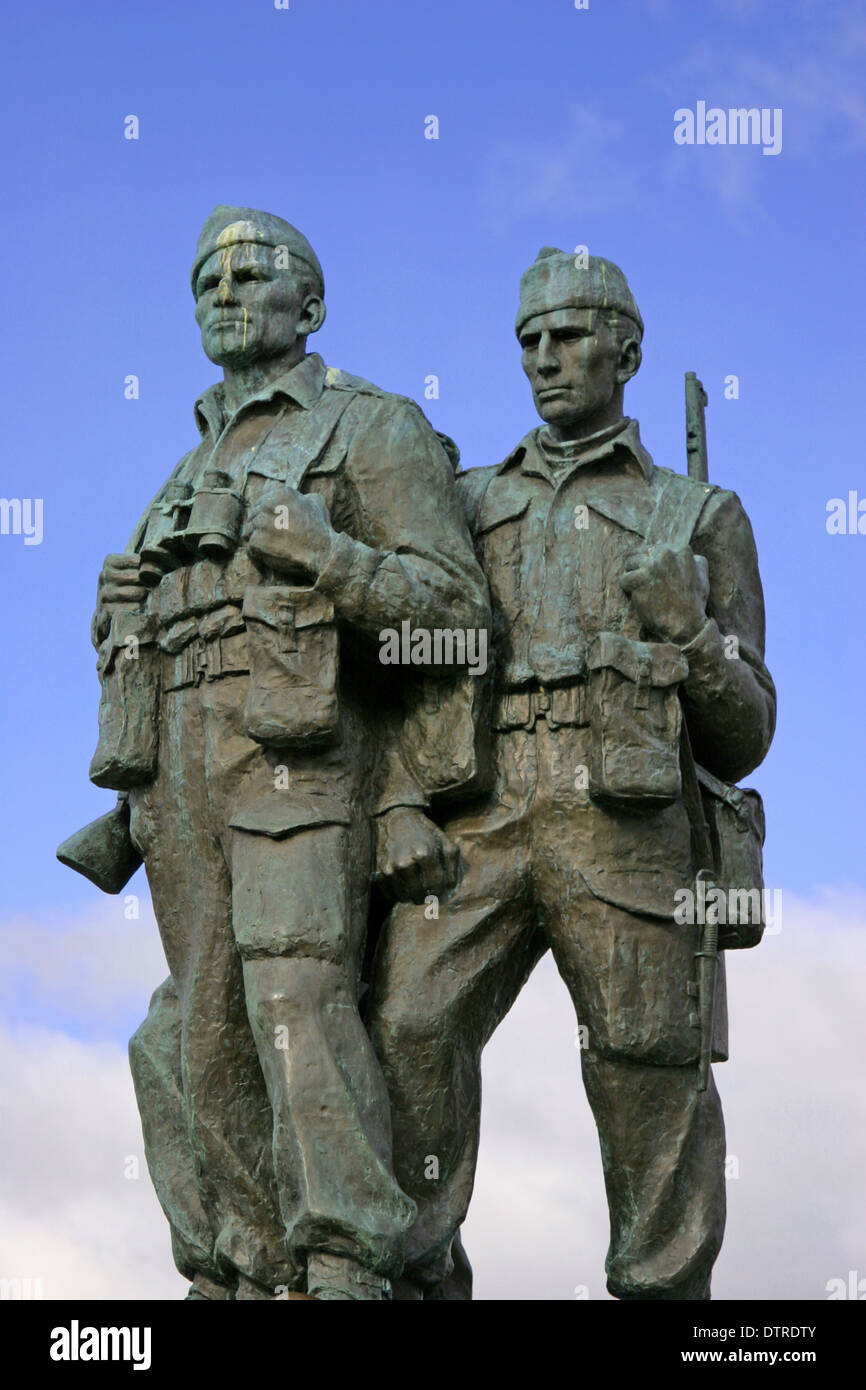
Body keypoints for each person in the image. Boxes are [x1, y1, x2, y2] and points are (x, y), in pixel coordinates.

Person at [87, 206, 489, 1300]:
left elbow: (452, 615)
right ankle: (245, 1261)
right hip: (174, 760)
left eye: (250, 274)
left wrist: (327, 555)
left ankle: (345, 1253)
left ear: (308, 305)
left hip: (297, 752)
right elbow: (142, 626)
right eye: (203, 281)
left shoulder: (372, 427)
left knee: (295, 997)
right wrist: (116, 607)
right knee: (196, 1024)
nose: (222, 291)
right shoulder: (183, 466)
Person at [369, 248, 776, 1300]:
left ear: (624, 350)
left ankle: (665, 1299)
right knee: (409, 1020)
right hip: (483, 804)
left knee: (646, 1065)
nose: (543, 359)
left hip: (625, 820)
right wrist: (400, 798)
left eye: (568, 337)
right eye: (527, 342)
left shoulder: (698, 512)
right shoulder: (463, 500)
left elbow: (745, 731)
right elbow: (391, 673)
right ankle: (413, 1278)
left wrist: (691, 635)